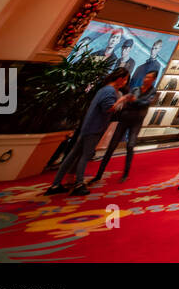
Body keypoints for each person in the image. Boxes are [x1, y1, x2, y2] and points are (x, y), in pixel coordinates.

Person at [46, 67, 129, 195]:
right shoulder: (109, 91)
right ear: (119, 79)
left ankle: (55, 184)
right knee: (85, 156)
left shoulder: (104, 89)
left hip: (88, 126)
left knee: (72, 155)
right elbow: (108, 108)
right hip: (94, 127)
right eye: (125, 80)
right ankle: (79, 184)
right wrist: (122, 100)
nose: (125, 83)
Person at [92, 69, 157, 184]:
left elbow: (145, 103)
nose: (146, 79)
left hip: (136, 121)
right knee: (112, 146)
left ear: (153, 79)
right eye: (145, 76)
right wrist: (131, 101)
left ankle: (126, 173)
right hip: (125, 119)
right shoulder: (136, 89)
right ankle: (99, 174)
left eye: (149, 77)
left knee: (130, 145)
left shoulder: (153, 92)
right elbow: (129, 100)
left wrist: (135, 101)